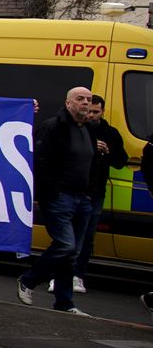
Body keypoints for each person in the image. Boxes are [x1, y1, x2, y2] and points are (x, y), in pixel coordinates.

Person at [17, 87, 97, 315]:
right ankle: (28, 280)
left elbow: (92, 163)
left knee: (71, 254)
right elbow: (40, 162)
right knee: (65, 245)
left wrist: (90, 192)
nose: (85, 103)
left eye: (89, 100)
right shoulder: (53, 127)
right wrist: (50, 193)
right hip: (60, 197)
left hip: (82, 197)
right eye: (80, 99)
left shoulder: (88, 129)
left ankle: (65, 302)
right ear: (68, 102)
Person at [71, 94, 127, 292]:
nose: (92, 115)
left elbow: (121, 162)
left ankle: (77, 275)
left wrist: (108, 151)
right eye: (90, 111)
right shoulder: (77, 129)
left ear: (103, 112)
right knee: (69, 236)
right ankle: (59, 276)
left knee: (87, 238)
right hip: (74, 190)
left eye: (96, 112)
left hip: (95, 193)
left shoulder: (110, 133)